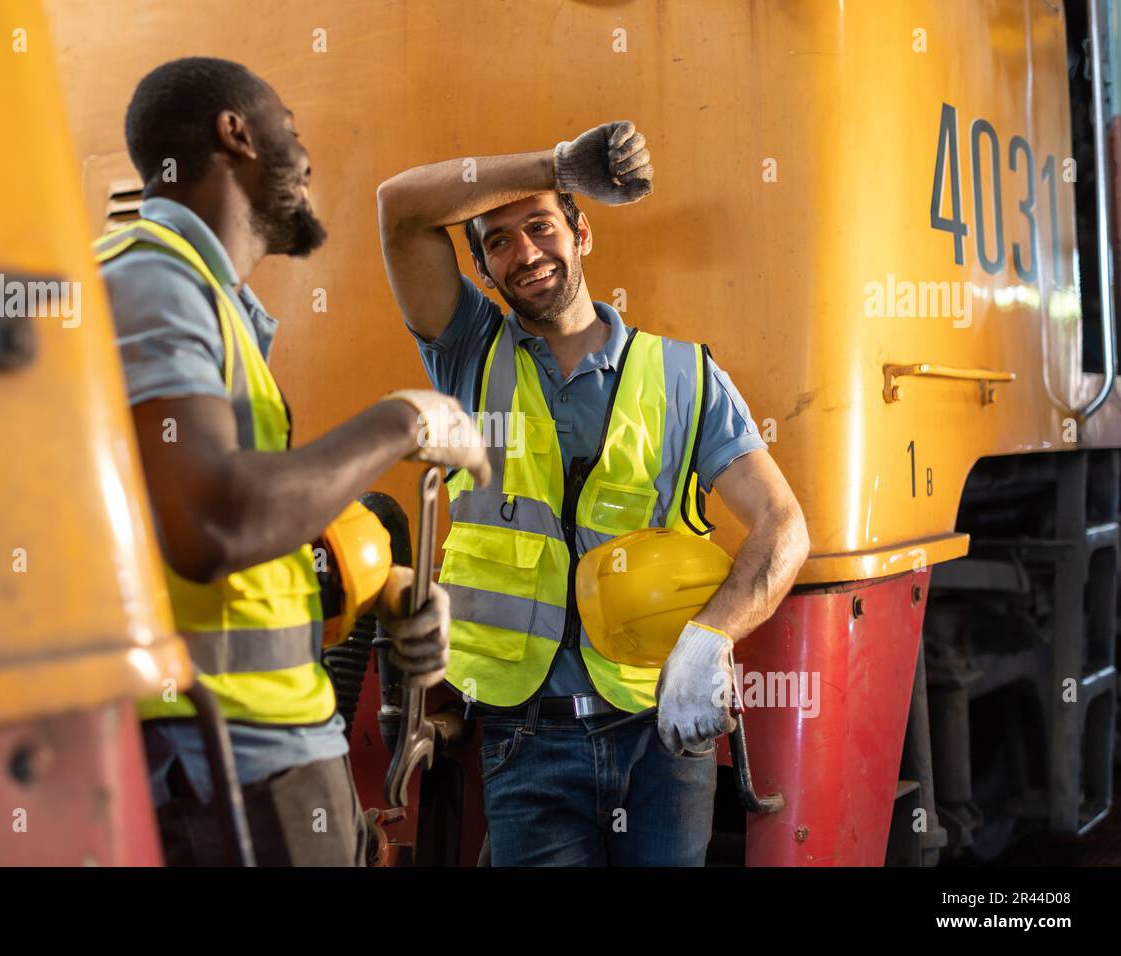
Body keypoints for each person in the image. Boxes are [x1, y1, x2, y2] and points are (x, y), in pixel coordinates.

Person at [376, 121, 810, 865]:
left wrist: (712, 639)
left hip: (662, 739)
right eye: (499, 242)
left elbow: (782, 525)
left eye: (541, 225)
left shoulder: (685, 378)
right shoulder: (468, 356)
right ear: (481, 269)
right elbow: (400, 208)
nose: (525, 253)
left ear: (582, 234)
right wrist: (558, 165)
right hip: (526, 740)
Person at [97, 57, 488, 866]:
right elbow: (212, 519)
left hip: (271, 753)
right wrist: (401, 418)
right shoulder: (153, 282)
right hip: (220, 771)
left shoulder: (206, 300)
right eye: (292, 133)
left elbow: (242, 533)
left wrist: (383, 586)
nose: (307, 162)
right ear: (234, 134)